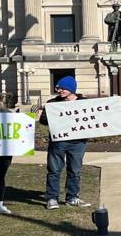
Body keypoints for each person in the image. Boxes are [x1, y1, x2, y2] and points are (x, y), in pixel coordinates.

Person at [38, 77, 90, 208]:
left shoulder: (85, 102)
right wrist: (55, 116)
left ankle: (72, 197)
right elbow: (43, 120)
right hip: (58, 142)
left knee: (75, 171)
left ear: (71, 89)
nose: (59, 90)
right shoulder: (52, 103)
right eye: (58, 88)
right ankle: (52, 198)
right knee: (54, 170)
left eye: (62, 88)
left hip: (78, 142)